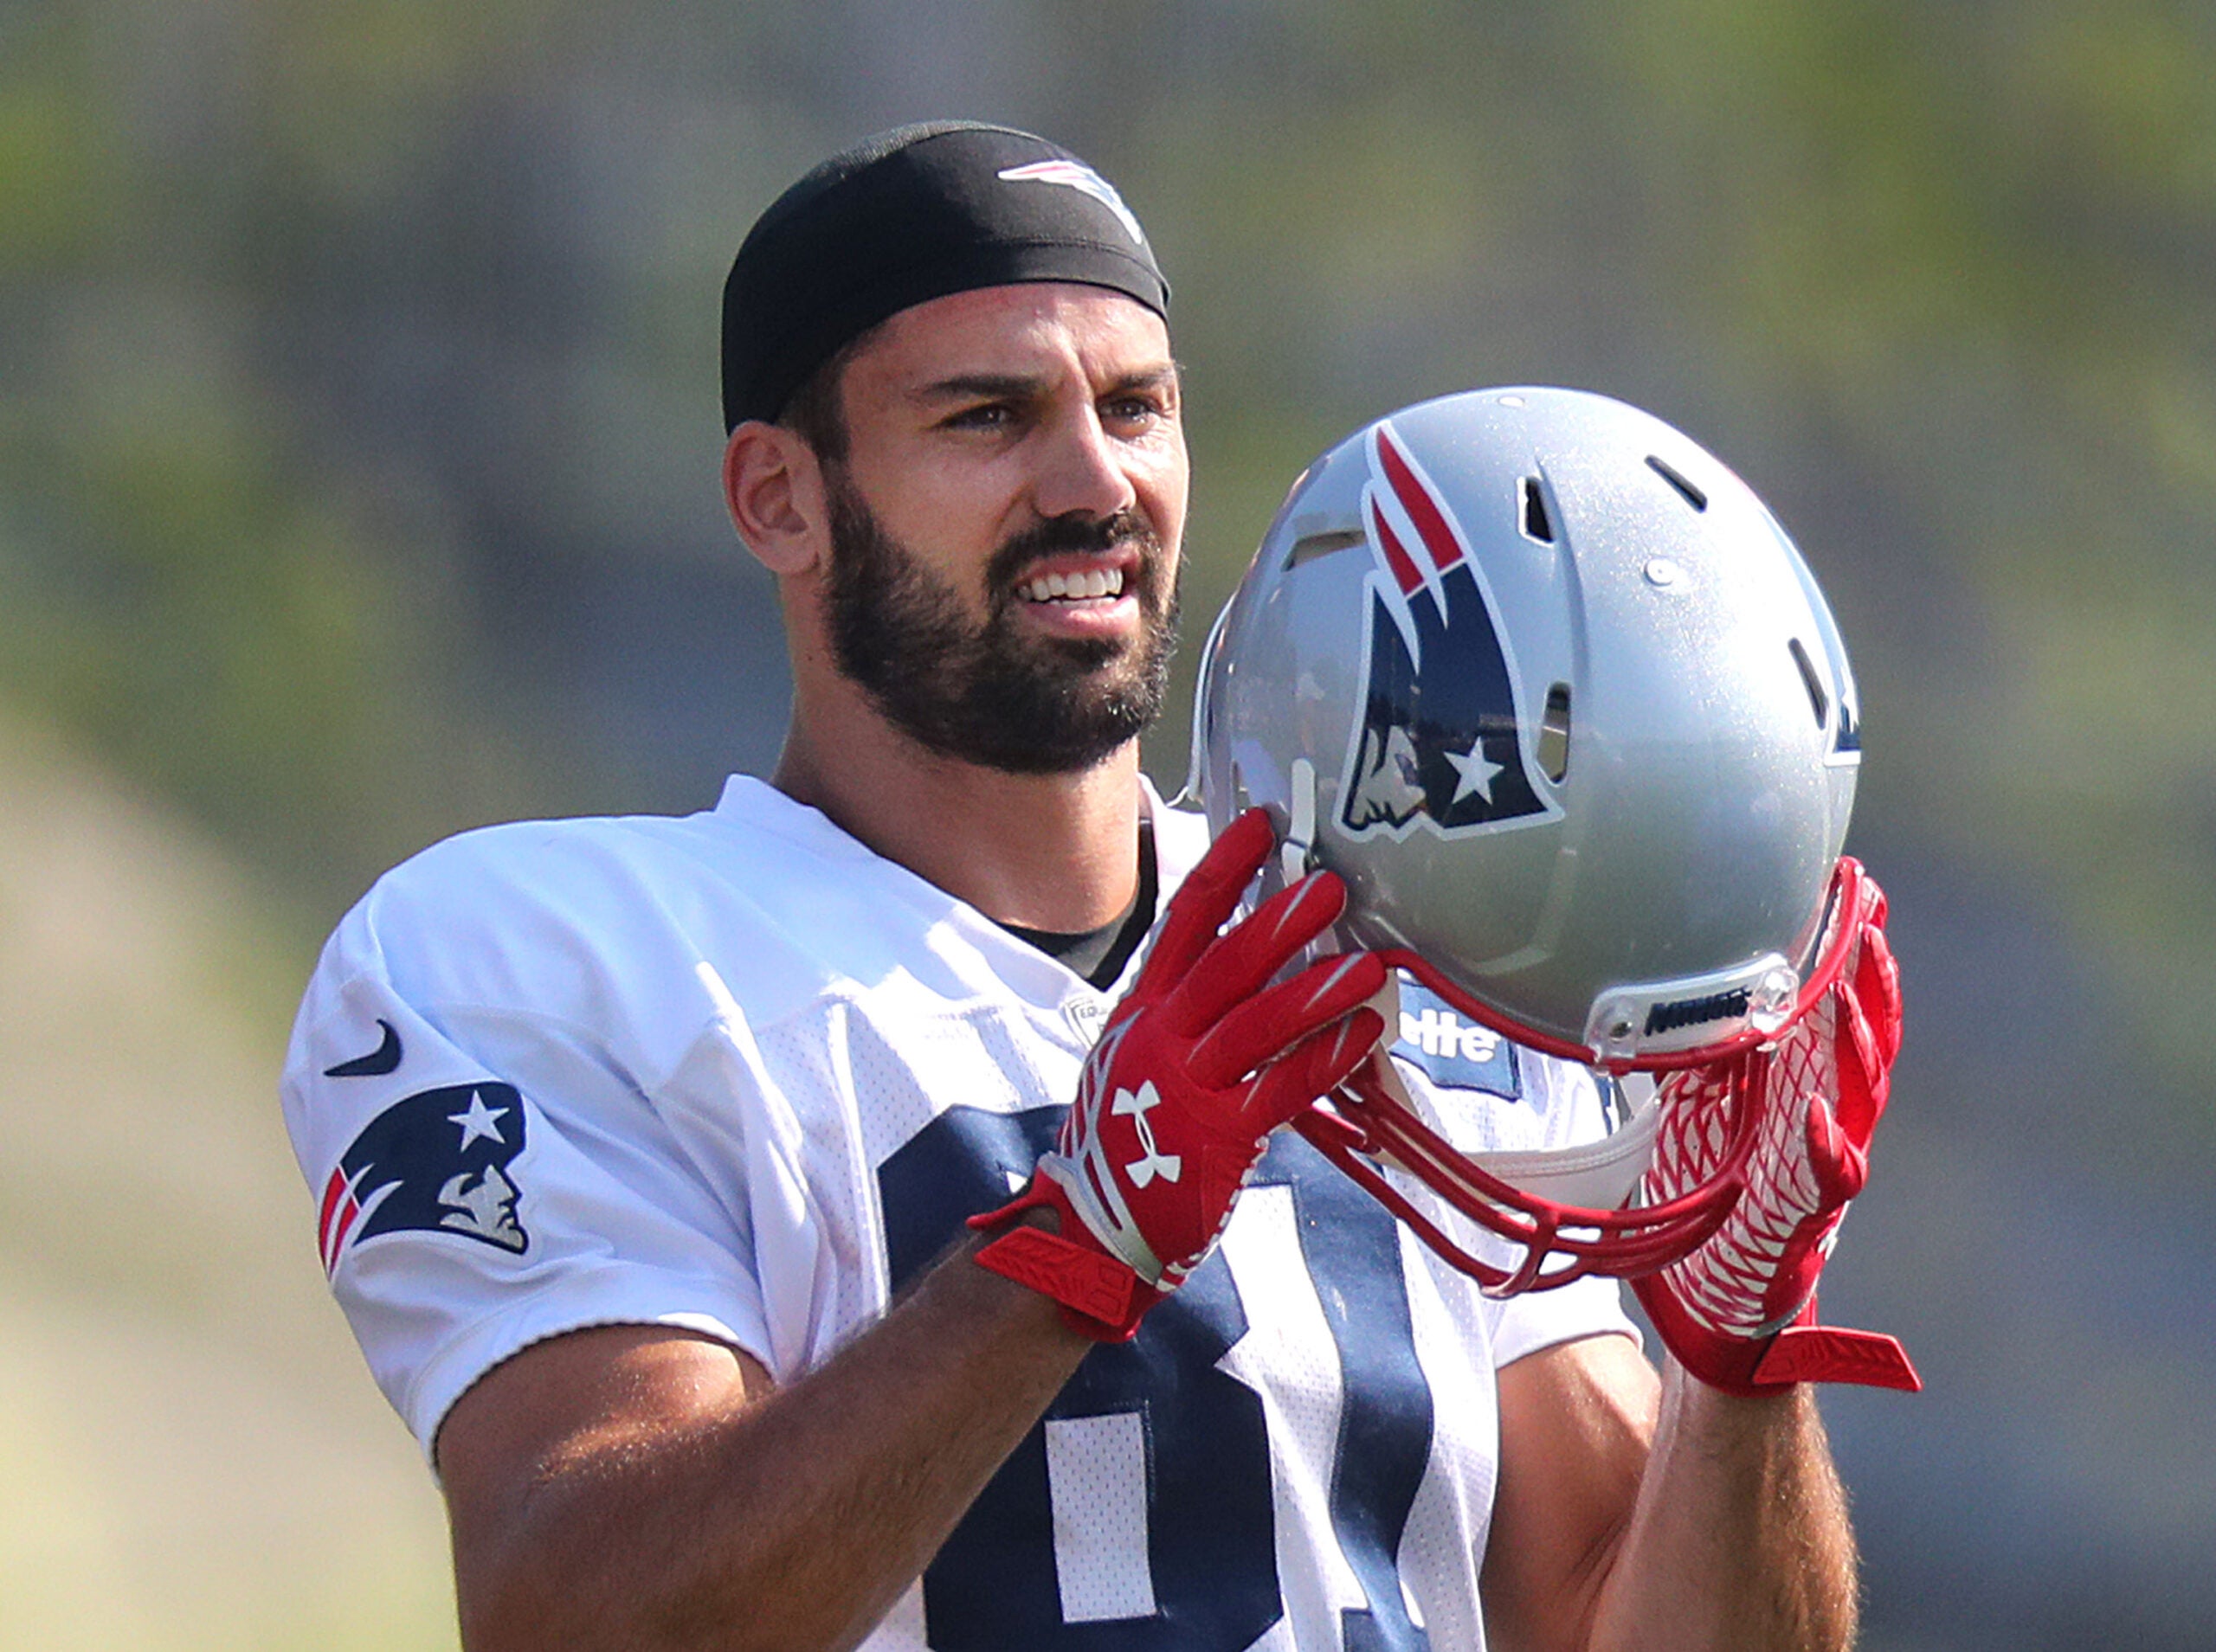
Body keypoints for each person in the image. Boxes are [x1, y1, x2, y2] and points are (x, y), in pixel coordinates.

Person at [282, 121, 1874, 1651]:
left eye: (1135, 407)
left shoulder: (1401, 940)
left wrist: (1741, 1359)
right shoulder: (554, 959)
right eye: (985, 417)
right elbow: (579, 1622)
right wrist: (1069, 1246)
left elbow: (1608, 1617)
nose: (1091, 483)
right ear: (779, 495)